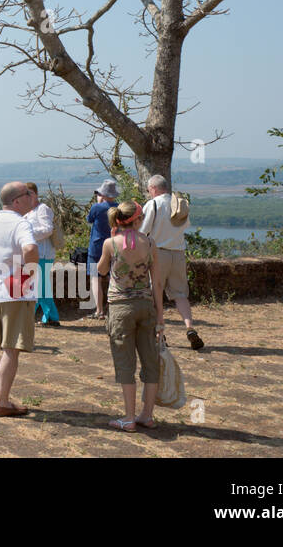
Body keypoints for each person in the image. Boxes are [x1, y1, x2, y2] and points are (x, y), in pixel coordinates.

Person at [97, 200, 165, 431]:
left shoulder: (110, 244)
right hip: (146, 306)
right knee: (150, 361)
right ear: (136, 220)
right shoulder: (150, 243)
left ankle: (128, 417)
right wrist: (160, 317)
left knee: (125, 362)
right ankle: (146, 415)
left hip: (120, 308)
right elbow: (156, 282)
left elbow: (101, 270)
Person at [0, 181, 39, 417]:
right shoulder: (21, 223)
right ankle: (2, 401)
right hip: (15, 291)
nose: (33, 197)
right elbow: (30, 249)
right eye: (29, 194)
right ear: (17, 201)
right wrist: (28, 274)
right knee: (11, 348)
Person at [140, 174, 203, 348]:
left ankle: (160, 334)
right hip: (178, 253)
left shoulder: (153, 204)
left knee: (155, 293)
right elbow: (185, 226)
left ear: (153, 188)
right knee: (181, 294)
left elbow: (143, 231)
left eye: (148, 189)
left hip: (158, 253)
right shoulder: (179, 203)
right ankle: (190, 327)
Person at [26, 182, 59, 326]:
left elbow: (47, 229)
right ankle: (48, 317)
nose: (28, 197)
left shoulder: (42, 209)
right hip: (33, 254)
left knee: (41, 287)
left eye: (30, 193)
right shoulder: (28, 212)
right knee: (38, 287)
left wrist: (28, 234)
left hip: (43, 254)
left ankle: (51, 317)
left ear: (36, 194)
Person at [86, 180, 118, 319]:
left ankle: (99, 311)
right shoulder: (119, 208)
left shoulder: (97, 208)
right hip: (114, 245)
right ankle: (114, 308)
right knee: (114, 277)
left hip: (96, 246)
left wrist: (99, 202)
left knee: (95, 278)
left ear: (103, 194)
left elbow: (89, 219)